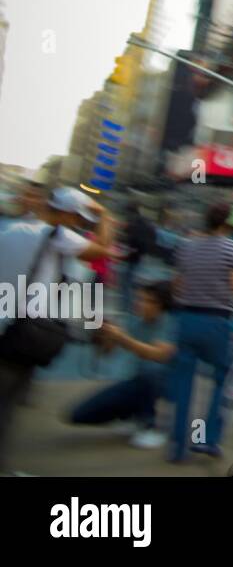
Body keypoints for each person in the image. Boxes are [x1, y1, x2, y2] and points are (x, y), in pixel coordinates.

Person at [0, 187, 119, 473]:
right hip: (21, 333)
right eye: (78, 219)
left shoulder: (11, 229)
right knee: (6, 401)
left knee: (8, 401)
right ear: (64, 213)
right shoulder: (57, 236)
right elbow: (102, 249)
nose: (79, 225)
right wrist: (105, 215)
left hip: (8, 324)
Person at [168, 203, 233, 463]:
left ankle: (178, 447)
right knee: (221, 381)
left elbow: (177, 283)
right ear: (228, 224)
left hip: (187, 319)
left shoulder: (187, 246)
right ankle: (208, 441)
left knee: (184, 382)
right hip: (217, 323)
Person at [68, 281, 175, 448]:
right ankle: (132, 417)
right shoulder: (135, 321)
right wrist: (104, 334)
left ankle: (152, 426)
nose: (140, 304)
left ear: (161, 305)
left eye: (147, 301)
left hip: (165, 384)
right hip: (136, 382)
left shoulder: (170, 322)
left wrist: (122, 337)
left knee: (150, 374)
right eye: (139, 299)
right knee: (79, 415)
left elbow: (158, 354)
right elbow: (107, 352)